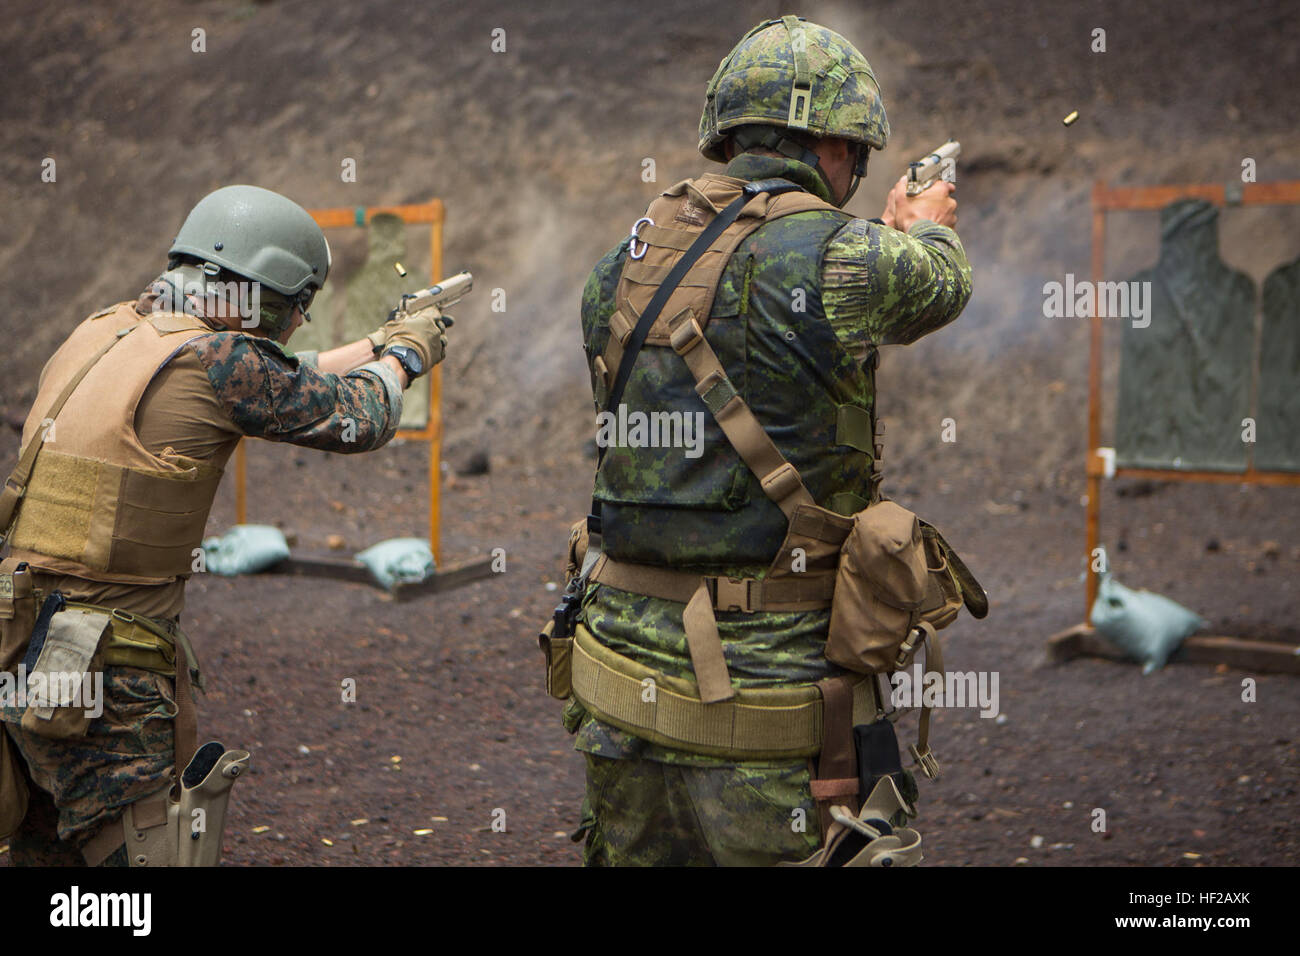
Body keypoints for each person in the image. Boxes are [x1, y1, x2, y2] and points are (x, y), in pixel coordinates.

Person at [561, 16, 973, 866]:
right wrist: (924, 221)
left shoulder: (621, 263)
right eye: (855, 153)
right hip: (770, 709)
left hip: (616, 685)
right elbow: (942, 284)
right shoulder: (841, 254)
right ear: (832, 145)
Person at [0, 184, 446, 866]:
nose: (298, 323)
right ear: (261, 290)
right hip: (106, 664)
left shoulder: (105, 329)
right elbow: (360, 419)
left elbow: (279, 379)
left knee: (45, 846)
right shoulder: (219, 361)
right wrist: (407, 356)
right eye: (298, 305)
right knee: (137, 863)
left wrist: (374, 341)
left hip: (20, 638)